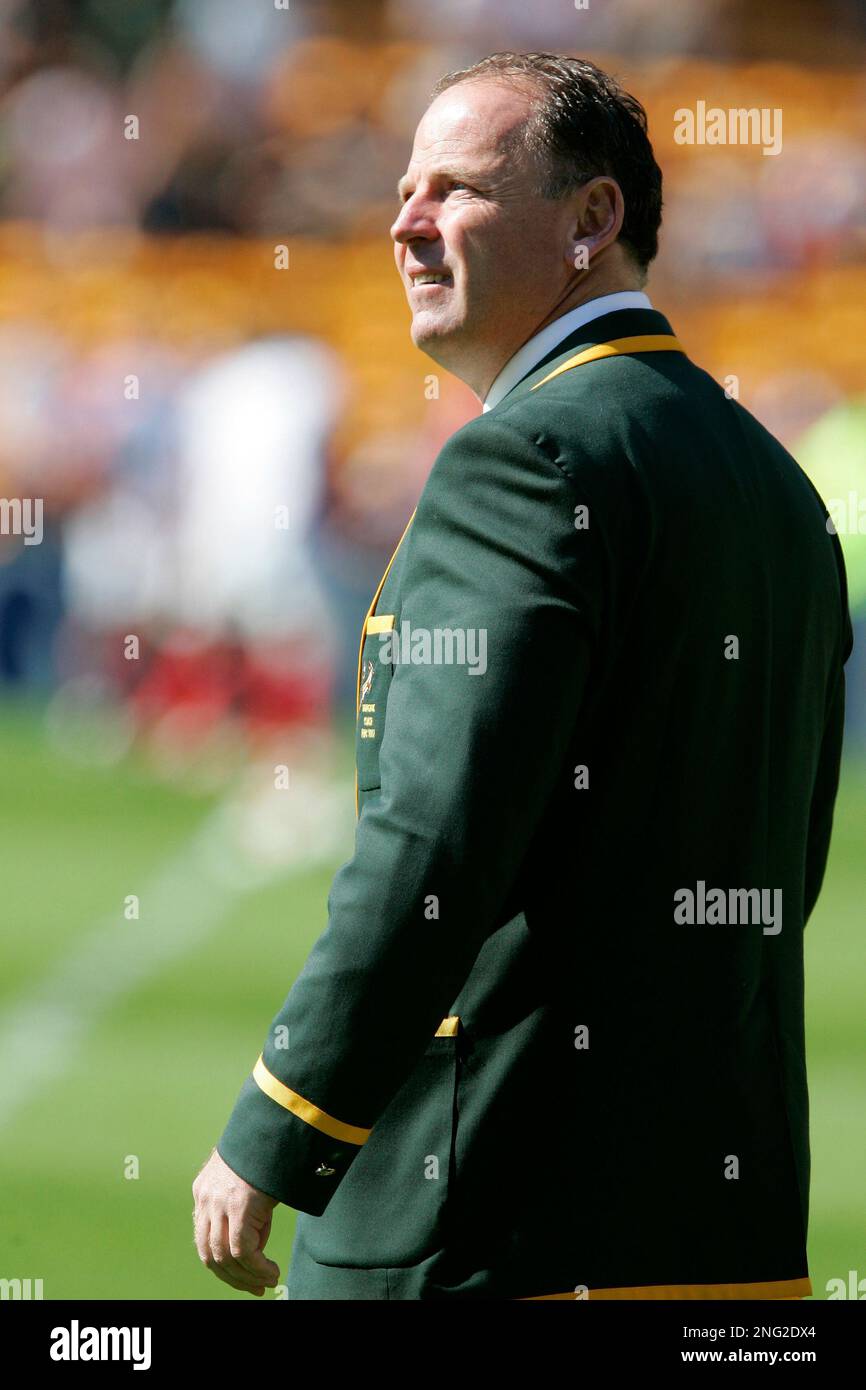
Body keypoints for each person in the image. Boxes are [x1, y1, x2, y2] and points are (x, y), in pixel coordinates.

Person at [193, 52, 852, 1300]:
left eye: (454, 188)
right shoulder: (775, 485)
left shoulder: (524, 461)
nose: (404, 221)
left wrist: (281, 1116)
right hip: (725, 1227)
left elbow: (433, 846)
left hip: (492, 1214)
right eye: (401, 190)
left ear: (592, 222)